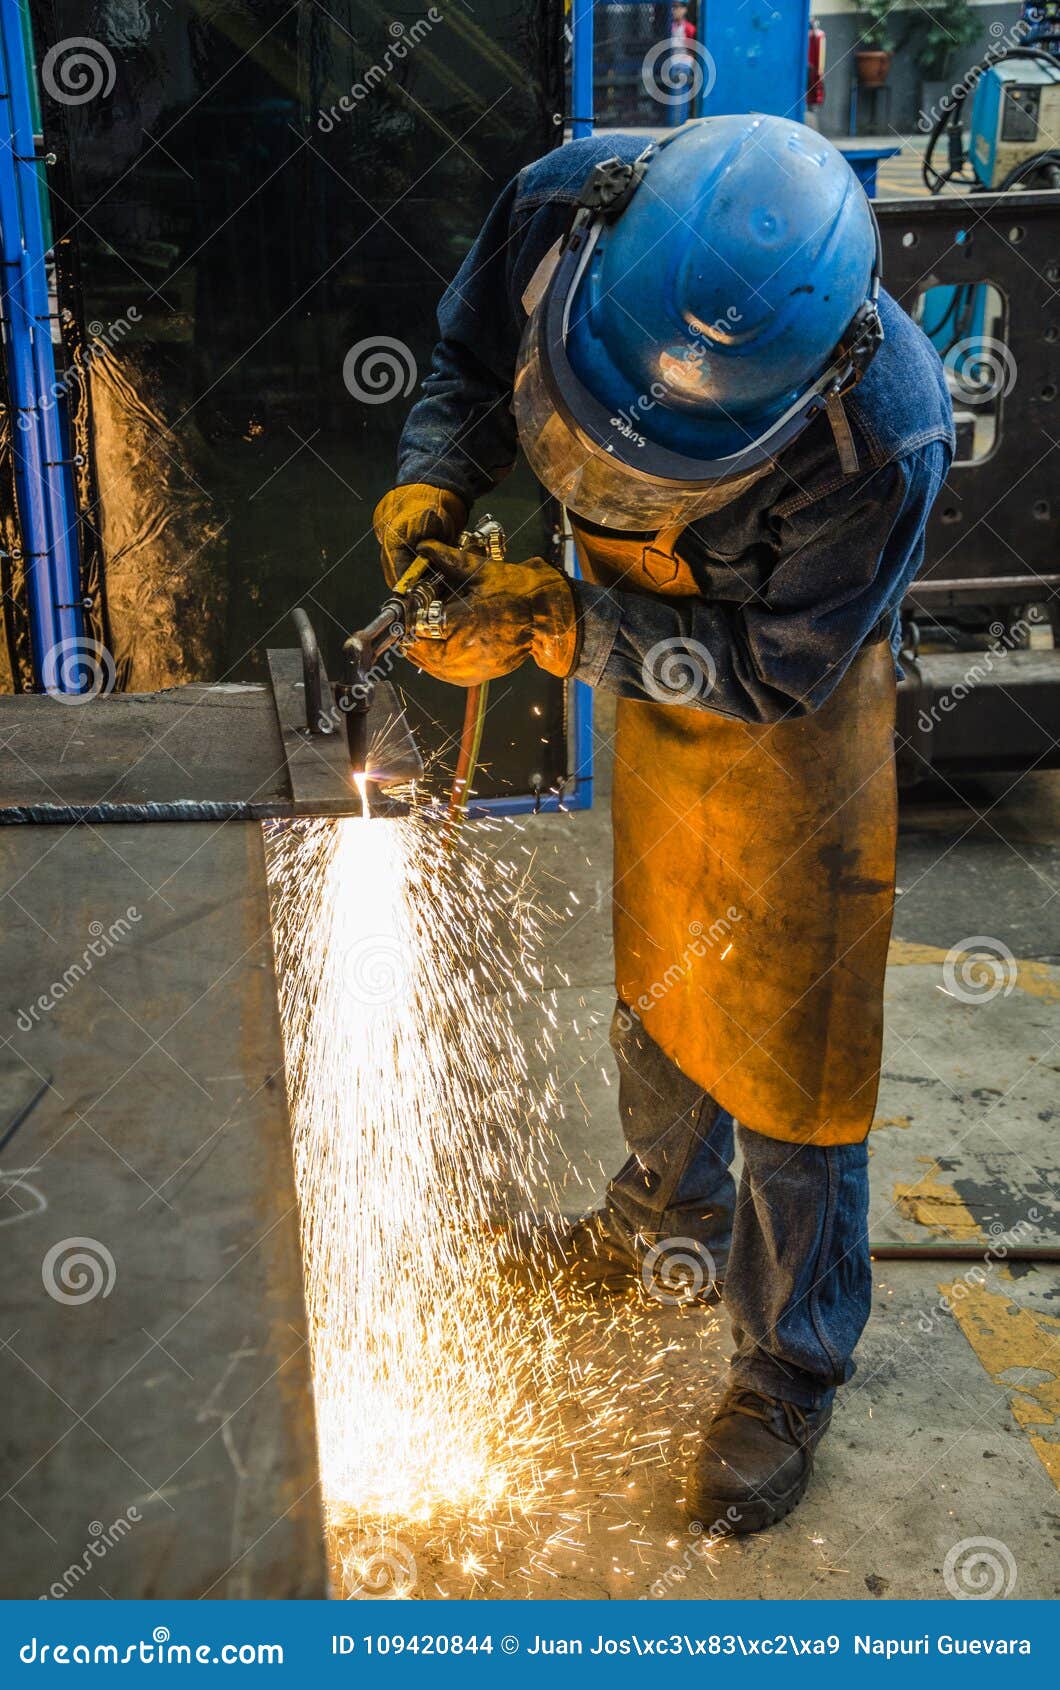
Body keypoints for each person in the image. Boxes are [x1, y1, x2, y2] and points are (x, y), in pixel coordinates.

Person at [373, 117, 953, 1534]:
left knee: (792, 1054)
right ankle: (663, 1212)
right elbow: (459, 359)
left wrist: (570, 625)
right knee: (664, 961)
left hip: (787, 720)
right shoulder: (568, 200)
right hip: (641, 667)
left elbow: (774, 664)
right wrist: (434, 475)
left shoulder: (882, 434)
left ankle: (791, 1356)